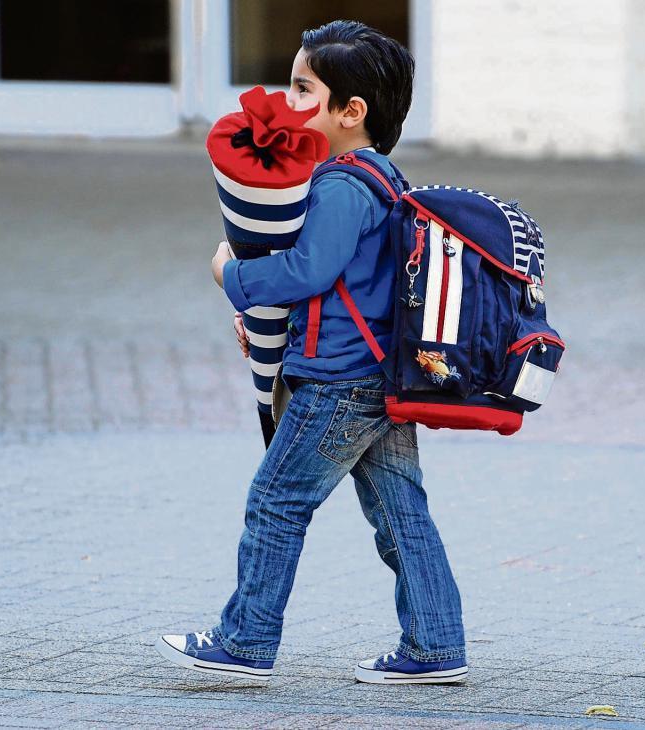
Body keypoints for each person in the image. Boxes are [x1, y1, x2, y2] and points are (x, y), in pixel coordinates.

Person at [155, 19, 467, 685]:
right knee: (401, 513)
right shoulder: (381, 177)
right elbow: (349, 285)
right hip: (379, 375)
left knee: (277, 500)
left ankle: (245, 643)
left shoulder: (340, 187)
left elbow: (308, 270)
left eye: (303, 89)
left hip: (339, 383)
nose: (288, 100)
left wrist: (232, 276)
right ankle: (436, 646)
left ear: (351, 112)